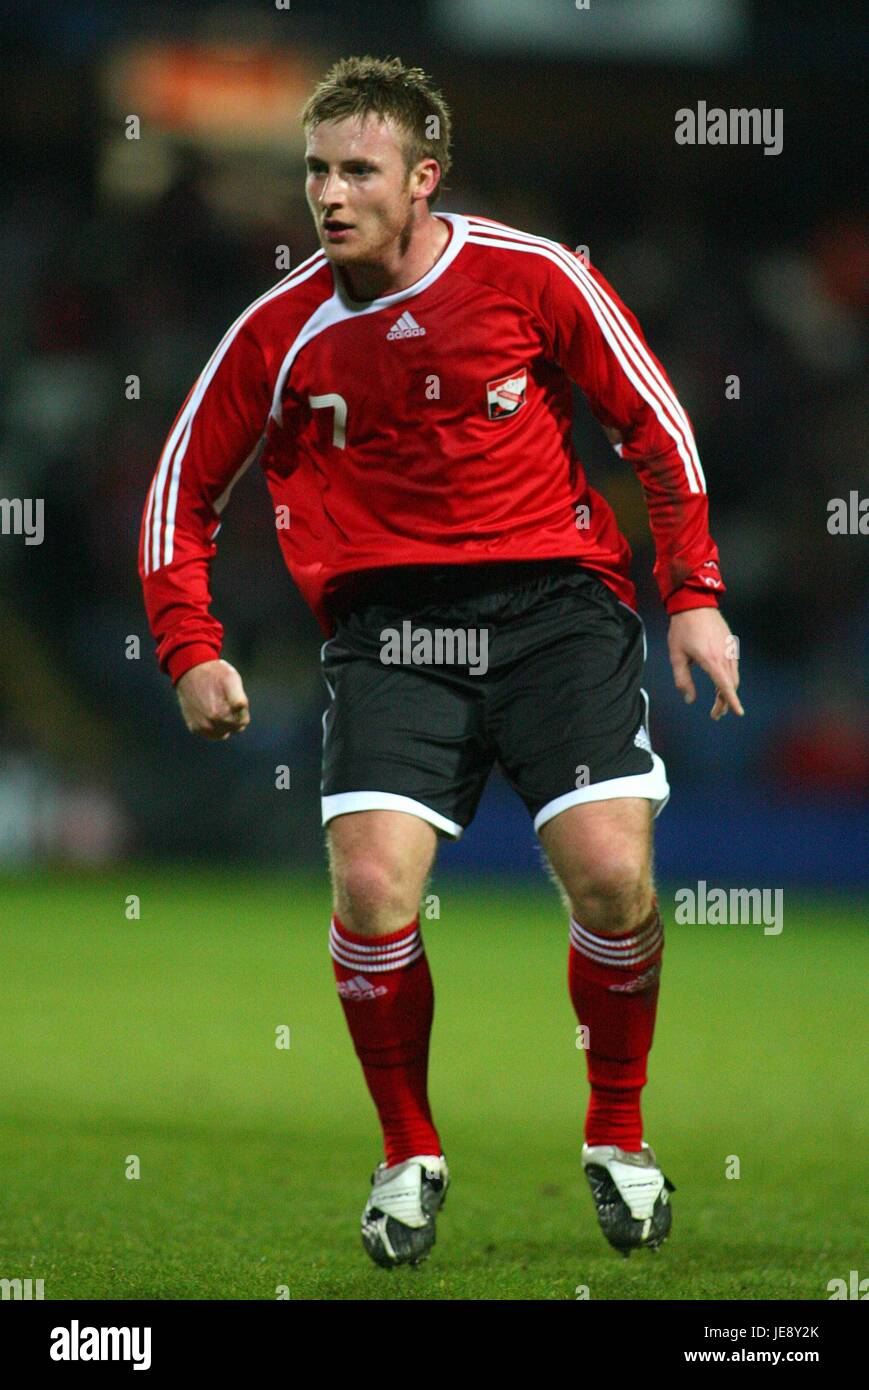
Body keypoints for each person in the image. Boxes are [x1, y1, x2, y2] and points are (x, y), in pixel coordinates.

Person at [139, 55, 743, 1268]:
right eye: (315, 168)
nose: (329, 192)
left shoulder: (531, 275)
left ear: (423, 179)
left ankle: (615, 1134)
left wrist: (692, 598)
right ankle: (407, 1152)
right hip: (389, 633)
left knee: (613, 880)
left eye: (357, 169)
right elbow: (178, 489)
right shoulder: (278, 328)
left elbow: (654, 423)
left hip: (555, 608)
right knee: (370, 891)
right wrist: (189, 648)